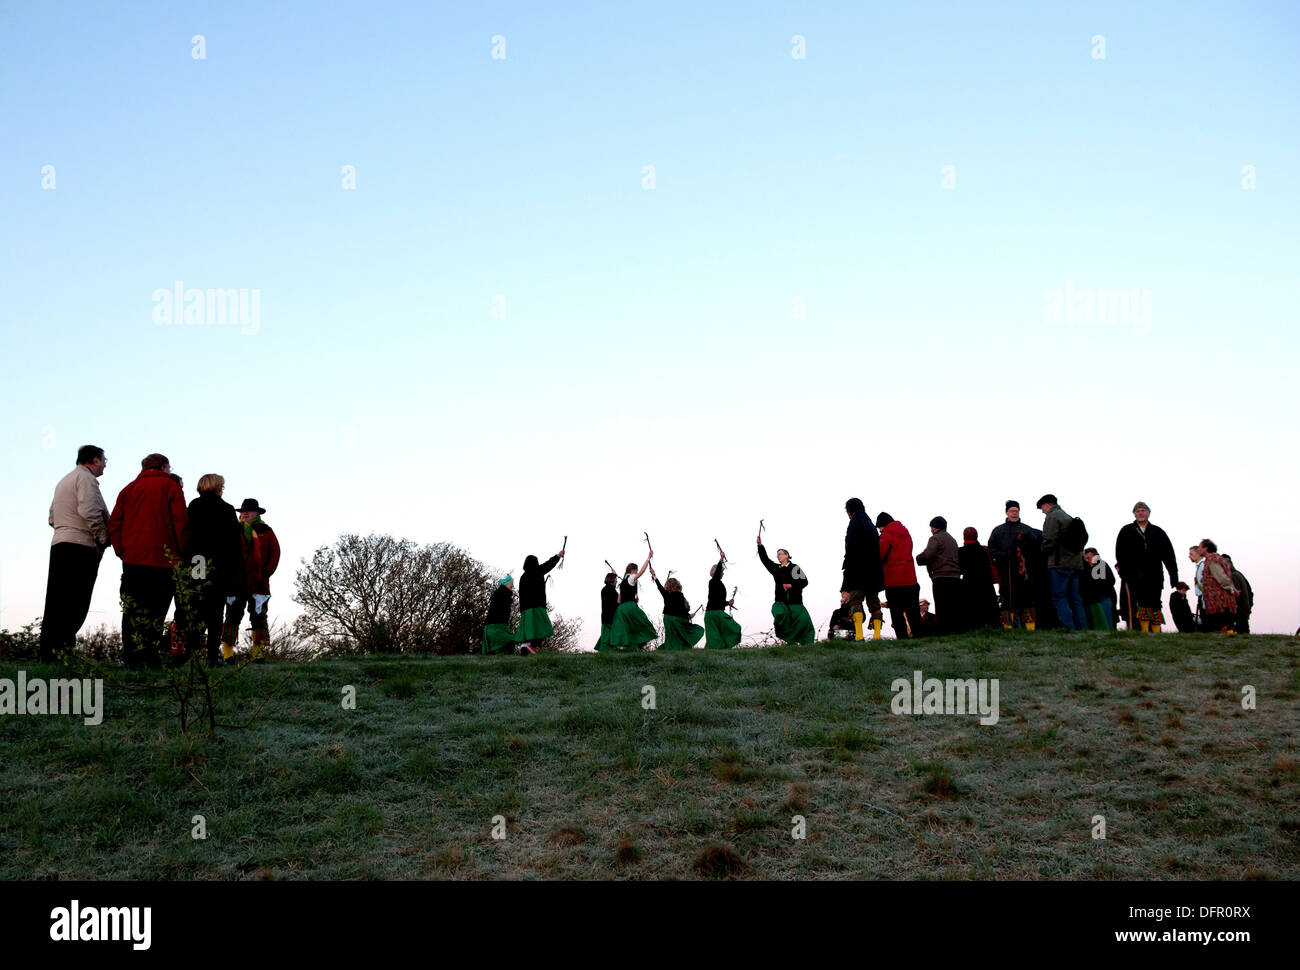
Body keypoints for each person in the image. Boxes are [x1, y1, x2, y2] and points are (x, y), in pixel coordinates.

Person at [108, 453, 188, 668]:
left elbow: (114, 523)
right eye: (169, 467)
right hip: (164, 560)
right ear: (163, 467)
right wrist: (182, 554)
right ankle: (150, 657)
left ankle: (131, 657)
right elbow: (180, 523)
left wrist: (121, 550)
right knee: (157, 609)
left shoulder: (128, 489)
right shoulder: (171, 487)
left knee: (132, 609)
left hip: (133, 560)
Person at [39, 445, 111, 662]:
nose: (105, 464)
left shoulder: (64, 480)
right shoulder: (86, 479)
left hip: (60, 543)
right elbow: (89, 509)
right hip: (80, 546)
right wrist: (102, 536)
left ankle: (50, 652)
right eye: (104, 460)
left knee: (56, 601)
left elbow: (52, 517)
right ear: (94, 460)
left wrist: (65, 528)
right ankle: (63, 650)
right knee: (75, 601)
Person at [183, 473, 241, 666]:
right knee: (215, 612)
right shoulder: (226, 509)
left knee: (196, 609)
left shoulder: (193, 506)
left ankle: (191, 654)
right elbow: (234, 545)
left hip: (197, 563)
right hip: (219, 566)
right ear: (218, 487)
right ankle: (211, 656)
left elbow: (186, 536)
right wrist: (234, 575)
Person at [221, 498, 280, 662]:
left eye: (248, 510)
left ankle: (257, 655)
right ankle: (228, 655)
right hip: (235, 582)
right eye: (242, 511)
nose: (245, 513)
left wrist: (267, 572)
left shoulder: (266, 531)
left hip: (258, 583)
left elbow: (275, 552)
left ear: (257, 513)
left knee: (259, 618)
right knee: (232, 617)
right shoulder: (233, 530)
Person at [1113, 501, 1179, 633]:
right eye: (1137, 511)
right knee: (1136, 604)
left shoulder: (1158, 532)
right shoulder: (1126, 531)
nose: (1140, 513)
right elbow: (1120, 553)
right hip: (1133, 576)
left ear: (1148, 512)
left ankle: (1156, 631)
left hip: (1154, 575)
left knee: (1154, 604)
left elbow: (1169, 555)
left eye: (1143, 510)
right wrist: (1124, 572)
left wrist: (1173, 575)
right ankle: (1139, 631)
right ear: (1134, 514)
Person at [987, 501, 1041, 630]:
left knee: (1027, 600)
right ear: (1006, 512)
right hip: (1005, 571)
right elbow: (991, 549)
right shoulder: (998, 530)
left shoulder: (1027, 529)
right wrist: (1001, 557)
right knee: (1007, 600)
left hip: (1024, 571)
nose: (1014, 513)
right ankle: (1008, 627)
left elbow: (1035, 548)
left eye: (1016, 511)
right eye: (1012, 511)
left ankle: (1030, 627)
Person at [1037, 494, 1086, 630]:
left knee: (1059, 595)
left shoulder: (1053, 516)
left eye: (1042, 508)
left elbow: (1049, 539)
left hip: (1060, 563)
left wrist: (1041, 550)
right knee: (1075, 598)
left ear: (1047, 505)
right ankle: (1081, 627)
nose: (1043, 511)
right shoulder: (1067, 516)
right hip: (1075, 564)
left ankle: (1067, 626)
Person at [840, 498, 886, 641]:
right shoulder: (871, 525)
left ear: (849, 510)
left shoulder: (853, 524)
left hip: (857, 571)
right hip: (873, 572)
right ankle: (877, 636)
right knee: (874, 603)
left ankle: (859, 636)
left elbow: (850, 550)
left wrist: (846, 578)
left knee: (855, 602)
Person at [758, 534, 814, 644]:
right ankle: (790, 642)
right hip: (781, 602)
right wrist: (760, 545)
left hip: (795, 601)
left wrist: (791, 585)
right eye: (777, 555)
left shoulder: (794, 568)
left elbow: (804, 582)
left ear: (787, 555)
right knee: (781, 618)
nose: (778, 556)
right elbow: (765, 559)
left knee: (804, 622)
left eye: (780, 554)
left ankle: (807, 644)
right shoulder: (776, 569)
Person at [876, 513, 923, 640]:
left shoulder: (886, 536)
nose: (879, 531)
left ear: (882, 526)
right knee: (913, 612)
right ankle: (919, 637)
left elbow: (880, 555)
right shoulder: (906, 533)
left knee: (897, 613)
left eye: (879, 528)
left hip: (894, 581)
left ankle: (902, 639)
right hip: (911, 579)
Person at [916, 516, 961, 634]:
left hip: (941, 577)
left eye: (931, 527)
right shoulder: (952, 540)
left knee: (942, 607)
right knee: (953, 607)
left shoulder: (935, 539)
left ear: (935, 527)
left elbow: (928, 555)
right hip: (955, 577)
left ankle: (944, 632)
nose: (931, 530)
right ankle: (956, 631)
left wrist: (918, 559)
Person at [516, 547, 564, 654]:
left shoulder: (522, 577)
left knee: (529, 629)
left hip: (525, 608)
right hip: (537, 606)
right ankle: (533, 646)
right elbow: (548, 564)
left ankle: (526, 647)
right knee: (541, 628)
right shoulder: (537, 571)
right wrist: (558, 556)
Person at [609, 554, 658, 650]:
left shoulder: (623, 581)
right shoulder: (631, 577)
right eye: (636, 570)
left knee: (627, 628)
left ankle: (627, 647)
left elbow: (619, 600)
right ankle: (640, 644)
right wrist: (648, 558)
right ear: (633, 570)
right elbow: (641, 573)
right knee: (643, 623)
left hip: (621, 609)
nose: (637, 572)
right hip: (630, 606)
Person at [651, 566, 704, 650]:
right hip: (676, 619)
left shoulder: (666, 594)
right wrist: (688, 616)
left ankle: (668, 650)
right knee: (690, 633)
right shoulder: (679, 595)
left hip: (667, 619)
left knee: (671, 638)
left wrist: (654, 576)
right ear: (676, 585)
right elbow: (681, 609)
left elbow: (660, 588)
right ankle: (678, 650)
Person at [958, 527, 1000, 630]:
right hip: (985, 583)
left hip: (969, 582)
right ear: (976, 536)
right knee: (988, 607)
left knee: (971, 608)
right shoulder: (985, 549)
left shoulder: (960, 551)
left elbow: (960, 569)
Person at [1195, 539, 1238, 634]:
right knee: (1223, 627)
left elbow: (1221, 578)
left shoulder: (1212, 560)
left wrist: (1231, 589)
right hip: (1218, 601)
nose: (1198, 549)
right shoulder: (1212, 559)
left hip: (1219, 601)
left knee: (1220, 627)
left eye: (1200, 547)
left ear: (1206, 548)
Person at [703, 557, 741, 649]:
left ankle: (721, 649)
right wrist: (721, 560)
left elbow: (718, 600)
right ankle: (713, 653)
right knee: (714, 637)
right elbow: (717, 573)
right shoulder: (713, 581)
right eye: (721, 571)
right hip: (713, 613)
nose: (723, 573)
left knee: (732, 629)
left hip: (716, 612)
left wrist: (728, 603)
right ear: (717, 572)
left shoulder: (718, 583)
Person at [1081, 547, 1118, 630]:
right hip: (1096, 599)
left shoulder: (1101, 565)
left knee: (1106, 622)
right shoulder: (1090, 567)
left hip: (1103, 598)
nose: (1087, 560)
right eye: (1086, 558)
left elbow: (1110, 581)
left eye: (1088, 558)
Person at [483, 575, 517, 655]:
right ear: (506, 583)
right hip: (496, 626)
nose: (512, 585)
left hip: (495, 625)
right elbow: (501, 610)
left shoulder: (501, 593)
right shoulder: (503, 593)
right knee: (509, 641)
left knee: (503, 645)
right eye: (511, 583)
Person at [1222, 555, 1253, 634]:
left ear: (1228, 565)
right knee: (1244, 635)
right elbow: (1250, 593)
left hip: (1238, 613)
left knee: (1236, 635)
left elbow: (1235, 596)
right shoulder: (1238, 574)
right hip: (1243, 612)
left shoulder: (1232, 576)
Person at [594, 572, 619, 652]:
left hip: (605, 615)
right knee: (609, 635)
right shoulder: (611, 590)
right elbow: (615, 603)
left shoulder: (604, 589)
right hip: (611, 616)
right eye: (615, 579)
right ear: (612, 580)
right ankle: (605, 650)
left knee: (605, 634)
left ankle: (604, 650)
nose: (616, 581)